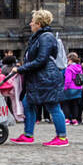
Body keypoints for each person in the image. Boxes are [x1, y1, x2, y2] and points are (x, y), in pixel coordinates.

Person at [9, 9, 69, 146]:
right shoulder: (39, 37)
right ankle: (28, 135)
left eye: (32, 22)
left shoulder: (46, 37)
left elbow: (42, 59)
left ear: (39, 24)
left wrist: (21, 69)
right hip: (39, 78)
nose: (30, 24)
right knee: (27, 103)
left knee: (53, 106)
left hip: (47, 78)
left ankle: (62, 137)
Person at [60, 52, 83, 127]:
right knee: (75, 104)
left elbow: (68, 80)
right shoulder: (79, 68)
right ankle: (74, 120)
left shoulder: (69, 68)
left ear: (70, 60)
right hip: (78, 88)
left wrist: (65, 88)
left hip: (70, 87)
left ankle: (67, 119)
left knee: (65, 103)